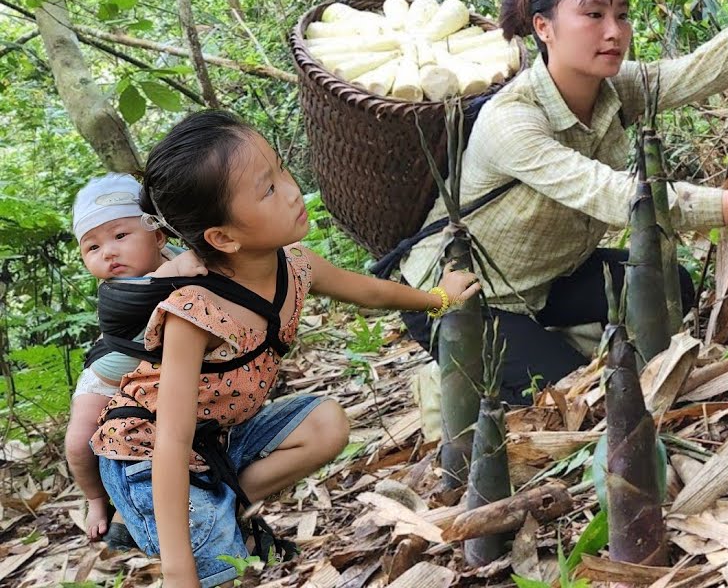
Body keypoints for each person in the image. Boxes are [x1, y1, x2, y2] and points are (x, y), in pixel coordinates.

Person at [398, 0, 728, 404]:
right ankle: (447, 383)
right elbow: (611, 194)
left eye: (621, 15)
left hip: (547, 280)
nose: (614, 32)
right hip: (461, 296)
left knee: (671, 287)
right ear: (543, 27)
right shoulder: (510, 119)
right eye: (593, 14)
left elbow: (685, 75)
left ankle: (545, 346)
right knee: (574, 396)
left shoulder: (610, 87)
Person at [90, 110, 480, 588]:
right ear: (223, 237)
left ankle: (216, 502)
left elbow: (370, 291)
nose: (292, 190)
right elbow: (170, 441)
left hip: (220, 438)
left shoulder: (295, 265)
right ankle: (164, 522)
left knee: (325, 423)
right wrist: (179, 572)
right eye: (268, 189)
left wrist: (439, 297)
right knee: (220, 568)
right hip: (146, 455)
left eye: (280, 170)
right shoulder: (193, 313)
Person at [66, 173, 208, 544]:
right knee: (79, 443)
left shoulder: (179, 257)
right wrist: (175, 271)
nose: (108, 252)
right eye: (92, 247)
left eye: (119, 236)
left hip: (157, 377)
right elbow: (154, 291)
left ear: (159, 235)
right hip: (107, 378)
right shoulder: (116, 292)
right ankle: (97, 499)